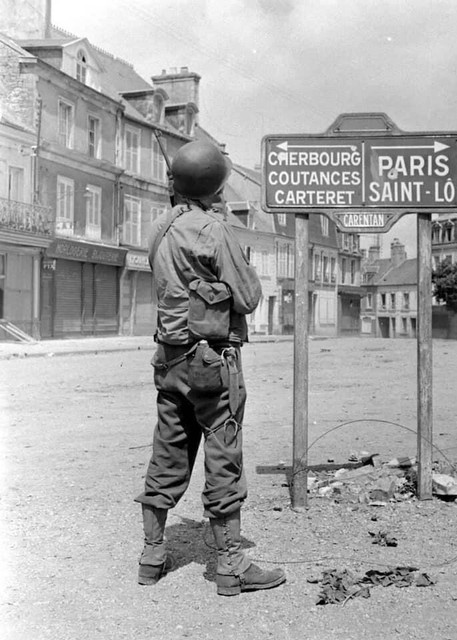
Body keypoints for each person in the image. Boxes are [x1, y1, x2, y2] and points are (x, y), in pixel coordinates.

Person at [134, 139, 286, 596]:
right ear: (216, 185)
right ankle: (230, 567)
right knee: (224, 454)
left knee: (168, 452)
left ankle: (152, 555)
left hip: (170, 359)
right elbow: (249, 297)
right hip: (210, 362)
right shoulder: (214, 230)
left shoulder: (158, 227)